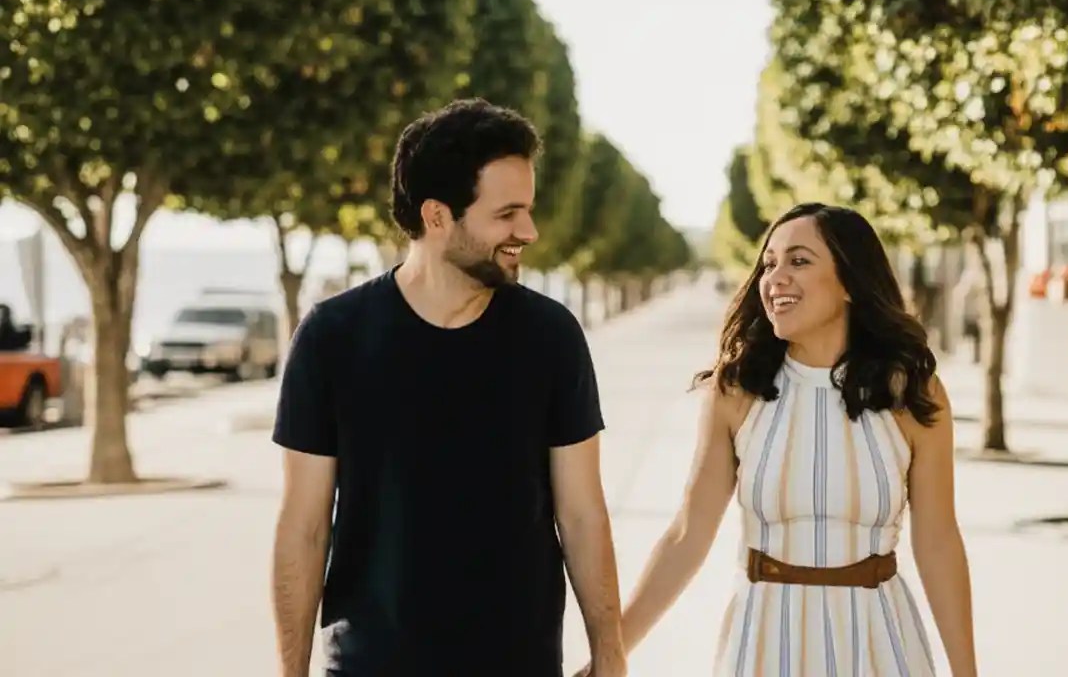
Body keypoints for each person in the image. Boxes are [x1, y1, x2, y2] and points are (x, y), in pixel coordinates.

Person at [271, 99, 626, 677]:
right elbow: (304, 526)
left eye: (528, 211)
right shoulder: (332, 337)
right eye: (507, 214)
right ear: (438, 216)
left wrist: (610, 653)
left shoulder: (551, 336)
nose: (528, 232)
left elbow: (582, 513)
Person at [582, 203, 977, 676]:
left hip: (880, 643)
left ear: (850, 282)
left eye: (799, 261)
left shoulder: (910, 392)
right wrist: (612, 654)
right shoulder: (737, 391)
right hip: (765, 643)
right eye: (769, 264)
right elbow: (688, 535)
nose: (776, 278)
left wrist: (965, 671)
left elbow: (938, 541)